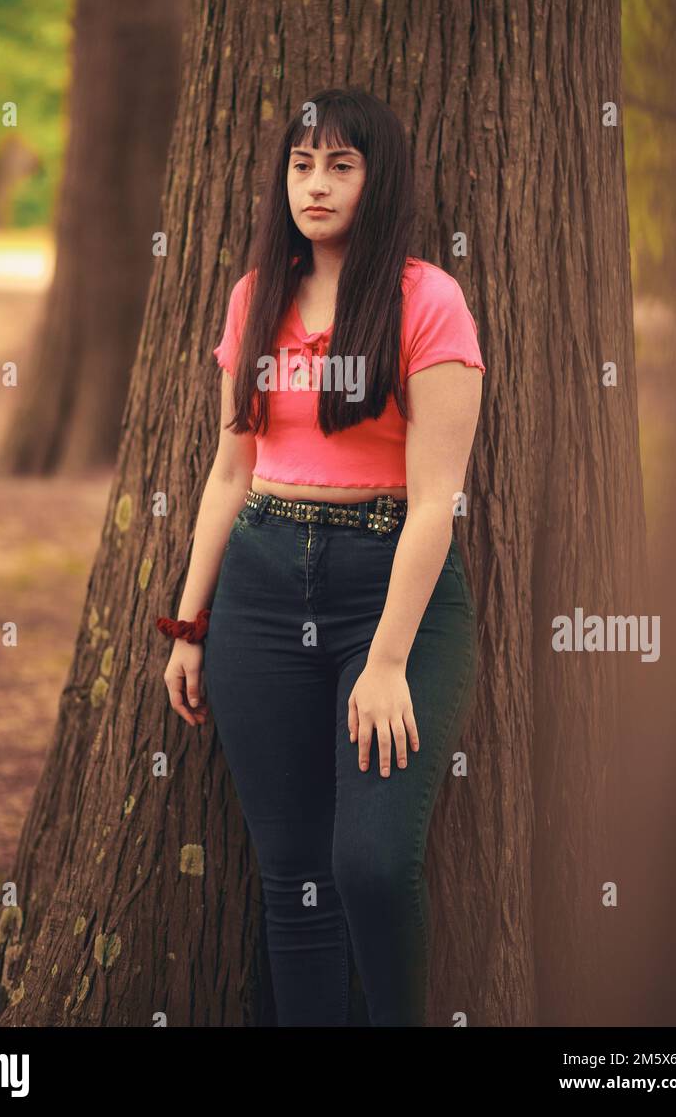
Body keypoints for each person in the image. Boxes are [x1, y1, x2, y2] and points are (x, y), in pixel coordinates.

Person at [159, 87, 485, 1026]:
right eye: (303, 165)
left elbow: (437, 501)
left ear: (377, 181)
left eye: (342, 165)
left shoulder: (429, 300)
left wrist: (385, 661)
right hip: (259, 591)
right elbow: (229, 474)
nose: (317, 184)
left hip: (391, 595)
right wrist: (189, 626)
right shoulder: (257, 297)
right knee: (293, 880)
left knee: (373, 866)